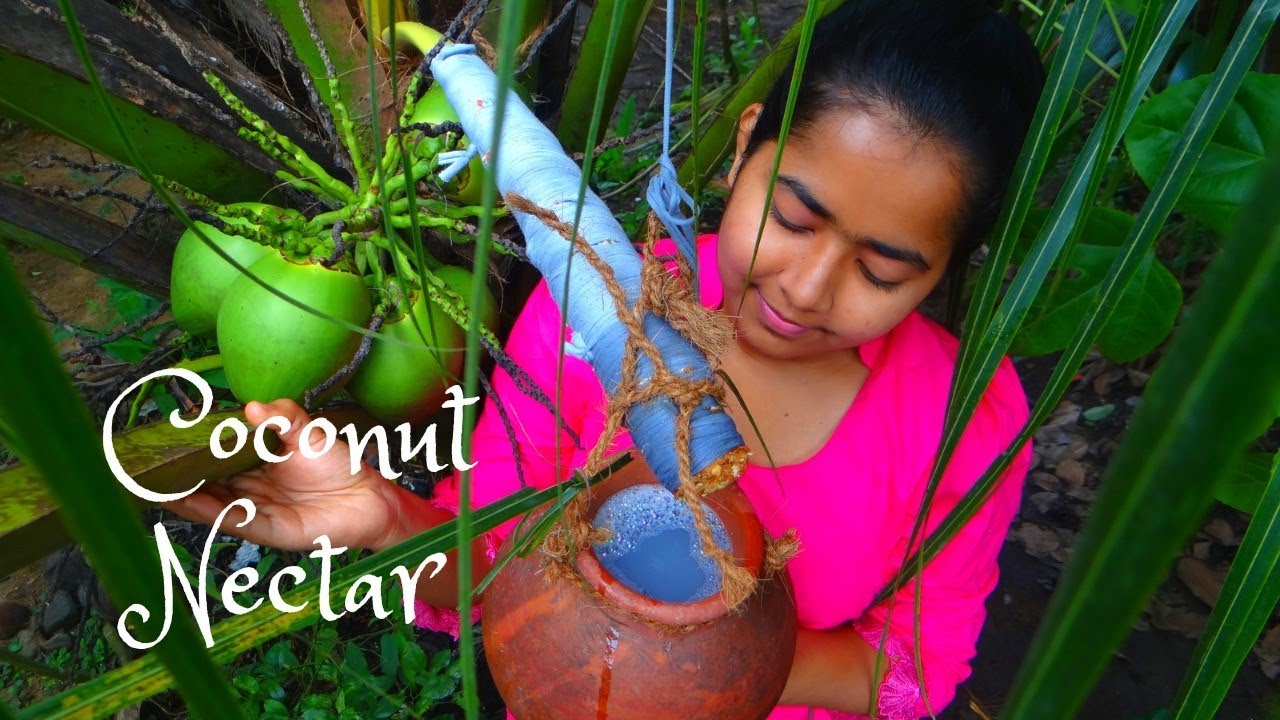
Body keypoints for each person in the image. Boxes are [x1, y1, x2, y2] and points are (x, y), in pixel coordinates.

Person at [165, 1, 1044, 717]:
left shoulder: (966, 418)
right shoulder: (589, 323)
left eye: (882, 269)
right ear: (744, 145)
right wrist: (387, 522)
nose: (808, 288)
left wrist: (716, 665)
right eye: (794, 218)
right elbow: (495, 570)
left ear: (944, 268)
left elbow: (908, 670)